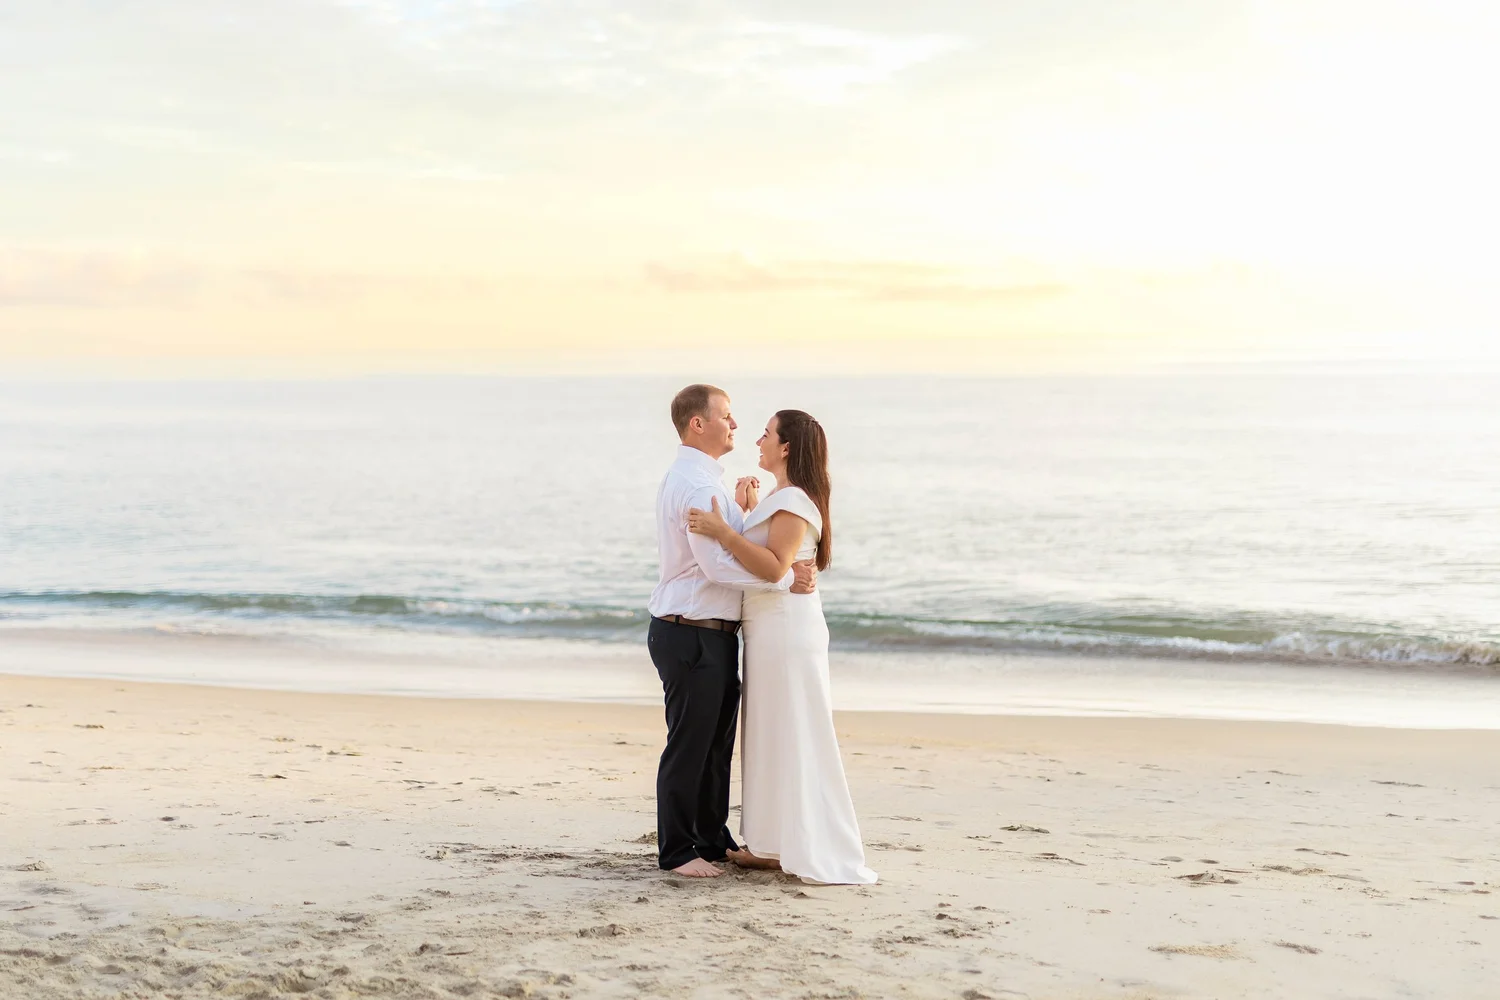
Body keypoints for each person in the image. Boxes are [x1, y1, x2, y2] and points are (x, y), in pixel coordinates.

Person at [687, 409, 877, 885]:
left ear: (787, 446)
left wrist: (726, 530)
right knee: (772, 731)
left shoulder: (794, 500)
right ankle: (772, 843)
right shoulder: (781, 498)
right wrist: (747, 513)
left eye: (767, 434)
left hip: (787, 632)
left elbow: (773, 569)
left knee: (792, 730)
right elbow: (775, 565)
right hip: (769, 630)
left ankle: (794, 843)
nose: (758, 439)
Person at [647, 384, 818, 878]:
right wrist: (787, 579)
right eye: (726, 416)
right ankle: (678, 850)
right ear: (698, 424)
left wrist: (742, 515)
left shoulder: (703, 480)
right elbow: (717, 568)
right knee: (691, 743)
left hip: (709, 631)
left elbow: (726, 550)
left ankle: (711, 837)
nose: (736, 425)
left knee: (716, 743)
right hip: (691, 628)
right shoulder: (699, 487)